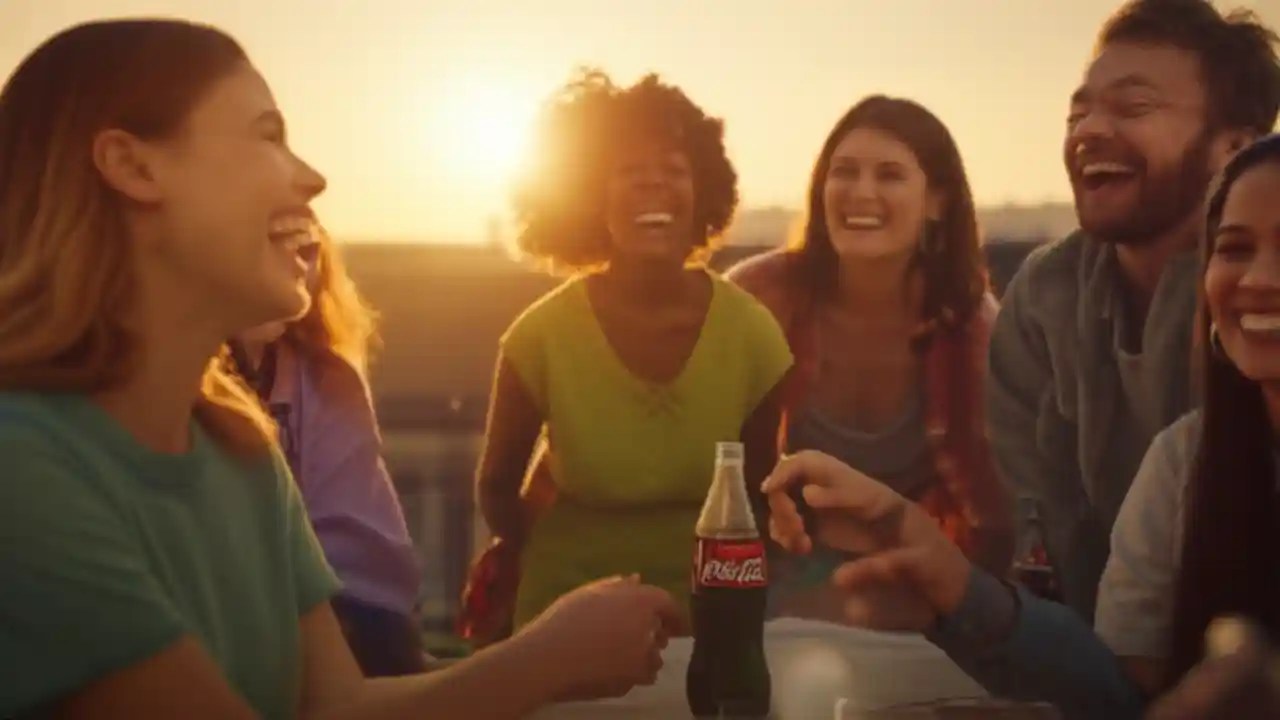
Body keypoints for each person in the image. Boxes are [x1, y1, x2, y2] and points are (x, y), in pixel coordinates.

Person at [0, 20, 681, 719]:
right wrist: (543, 660)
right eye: (268, 135)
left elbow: (338, 706)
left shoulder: (241, 452)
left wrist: (551, 659)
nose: (313, 178)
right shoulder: (24, 465)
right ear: (134, 167)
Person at [760, 132, 1280, 720]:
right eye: (1234, 249)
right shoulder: (1185, 462)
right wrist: (950, 583)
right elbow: (1117, 693)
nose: (1258, 279)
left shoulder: (975, 326)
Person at [471, 69, 793, 634]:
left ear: (703, 192)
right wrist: (563, 570)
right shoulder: (538, 337)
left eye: (673, 170)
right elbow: (496, 490)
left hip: (708, 623)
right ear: (591, 194)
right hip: (563, 622)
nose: (653, 186)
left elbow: (759, 498)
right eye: (630, 172)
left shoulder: (753, 336)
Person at [987, 0, 1280, 620]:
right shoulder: (1044, 296)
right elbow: (1036, 533)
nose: (1088, 130)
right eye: (1079, 110)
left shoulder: (1252, 304)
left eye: (1133, 107)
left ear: (1236, 146)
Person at [728, 96, 1013, 621]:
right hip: (769, 566)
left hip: (911, 582)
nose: (862, 192)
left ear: (937, 200)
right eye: (844, 172)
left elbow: (998, 519)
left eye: (889, 175)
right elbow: (704, 457)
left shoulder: (972, 329)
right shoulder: (757, 296)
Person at [227, 228, 426, 677]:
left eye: (310, 249)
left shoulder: (325, 378)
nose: (299, 262)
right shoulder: (183, 374)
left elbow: (359, 530)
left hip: (354, 609)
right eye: (275, 240)